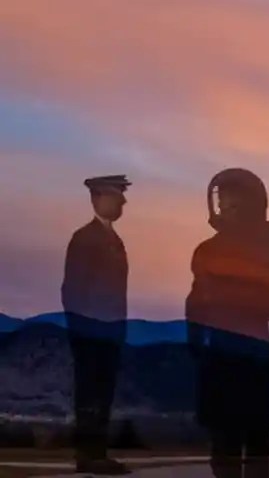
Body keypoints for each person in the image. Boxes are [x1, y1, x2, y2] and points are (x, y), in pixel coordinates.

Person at [186, 169, 269, 478]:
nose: (230, 213)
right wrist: (195, 338)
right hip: (218, 352)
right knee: (222, 434)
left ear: (256, 205)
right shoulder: (207, 250)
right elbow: (197, 298)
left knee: (256, 433)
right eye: (225, 207)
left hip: (257, 351)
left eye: (238, 206)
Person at [62, 174, 133, 475]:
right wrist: (81, 327)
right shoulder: (85, 238)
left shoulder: (114, 240)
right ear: (98, 198)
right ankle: (88, 455)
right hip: (91, 330)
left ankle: (97, 453)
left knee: (102, 393)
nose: (123, 201)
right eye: (117, 196)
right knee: (90, 392)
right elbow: (73, 289)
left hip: (109, 329)